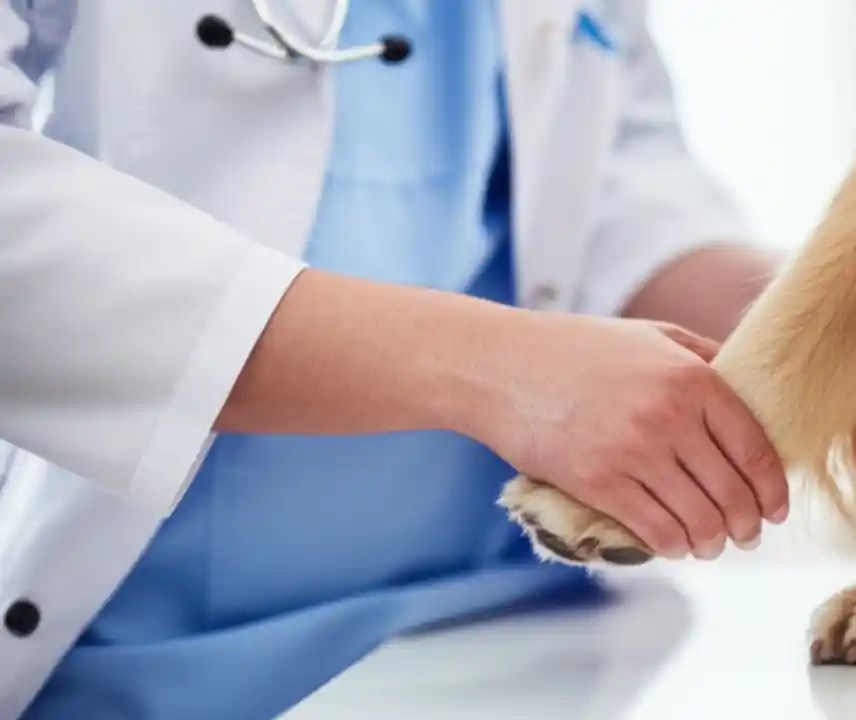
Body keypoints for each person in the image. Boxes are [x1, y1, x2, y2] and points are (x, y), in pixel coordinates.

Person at [0, 2, 785, 718]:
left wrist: (848, 323)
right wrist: (498, 370)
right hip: (160, 670)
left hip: (527, 634)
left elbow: (614, 173)